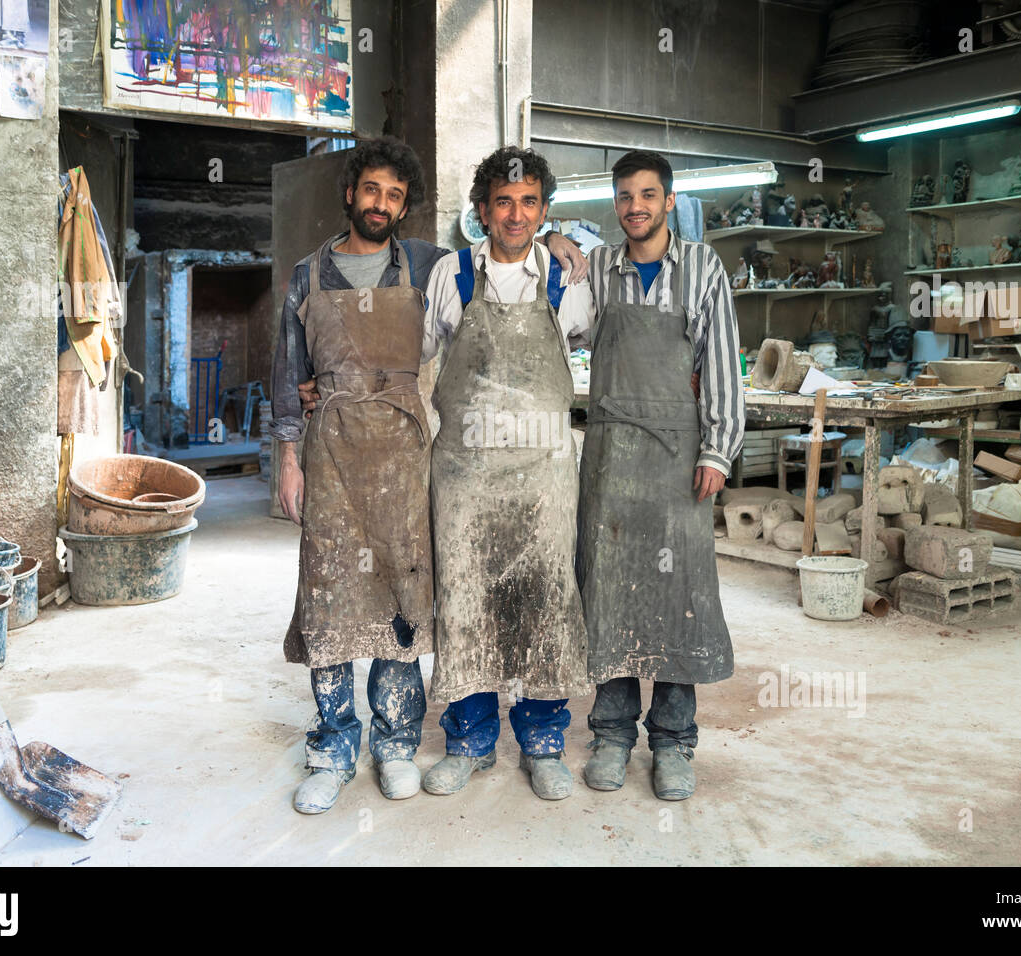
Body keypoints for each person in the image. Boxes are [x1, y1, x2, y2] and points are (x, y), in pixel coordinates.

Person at [273, 138, 586, 814]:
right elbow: (316, 366)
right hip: (381, 460)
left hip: (484, 469)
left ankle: (468, 744)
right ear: (351, 194)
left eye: (530, 204)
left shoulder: (460, 267)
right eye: (370, 191)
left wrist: (559, 237)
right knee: (365, 603)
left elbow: (583, 335)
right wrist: (294, 439)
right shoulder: (346, 274)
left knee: (474, 603)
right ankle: (359, 746)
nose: (380, 204)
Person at [417, 146, 594, 801]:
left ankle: (544, 743)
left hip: (544, 474)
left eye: (528, 203)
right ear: (481, 211)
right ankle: (468, 743)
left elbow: (597, 332)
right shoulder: (451, 275)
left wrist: (566, 241)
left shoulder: (566, 274)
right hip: (464, 474)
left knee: (543, 599)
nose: (514, 215)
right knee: (466, 599)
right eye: (502, 202)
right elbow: (417, 358)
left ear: (543, 210)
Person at [576, 149, 743, 801]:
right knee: (611, 593)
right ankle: (612, 733)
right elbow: (553, 307)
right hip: (612, 455)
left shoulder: (702, 268)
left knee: (679, 599)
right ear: (615, 205)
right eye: (624, 197)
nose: (636, 207)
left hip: (679, 459)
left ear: (669, 201)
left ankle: (674, 741)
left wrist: (718, 452)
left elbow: (723, 364)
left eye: (648, 195)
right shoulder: (600, 269)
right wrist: (559, 238)